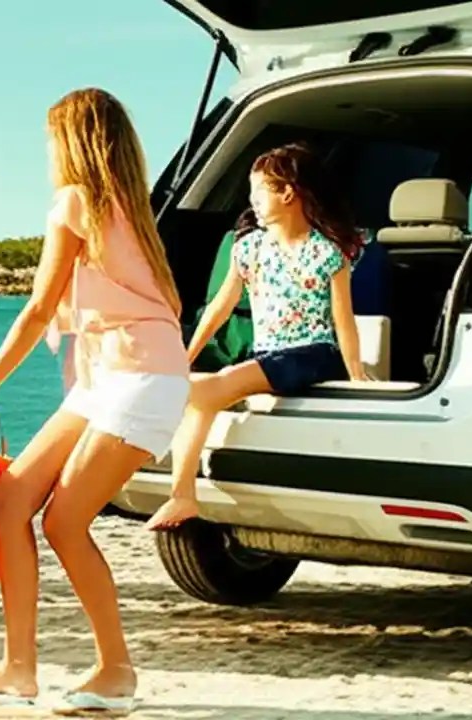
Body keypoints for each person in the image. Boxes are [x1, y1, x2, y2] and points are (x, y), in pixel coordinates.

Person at [0, 88, 190, 714]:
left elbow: (34, 309)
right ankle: (17, 669)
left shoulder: (75, 203)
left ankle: (115, 670)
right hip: (115, 378)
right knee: (8, 501)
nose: (46, 152)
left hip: (137, 379)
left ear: (72, 143)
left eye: (52, 139)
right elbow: (171, 310)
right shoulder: (129, 214)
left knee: (62, 521)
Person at [145, 143, 368, 531]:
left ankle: (173, 486)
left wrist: (357, 376)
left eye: (259, 192)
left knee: (203, 390)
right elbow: (220, 307)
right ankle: (182, 495)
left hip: (311, 354)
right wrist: (186, 356)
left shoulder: (328, 252)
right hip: (269, 356)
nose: (253, 202)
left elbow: (343, 321)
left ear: (288, 193)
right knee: (197, 390)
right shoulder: (247, 248)